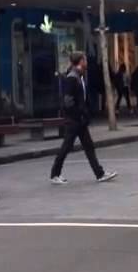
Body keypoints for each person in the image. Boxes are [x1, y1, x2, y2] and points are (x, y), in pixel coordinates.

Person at [51, 52, 118, 184]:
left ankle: (100, 174)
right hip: (74, 120)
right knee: (66, 147)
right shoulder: (72, 78)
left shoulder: (79, 76)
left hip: (80, 120)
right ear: (80, 61)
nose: (86, 62)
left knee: (89, 146)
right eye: (85, 59)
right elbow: (68, 101)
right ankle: (55, 174)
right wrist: (78, 115)